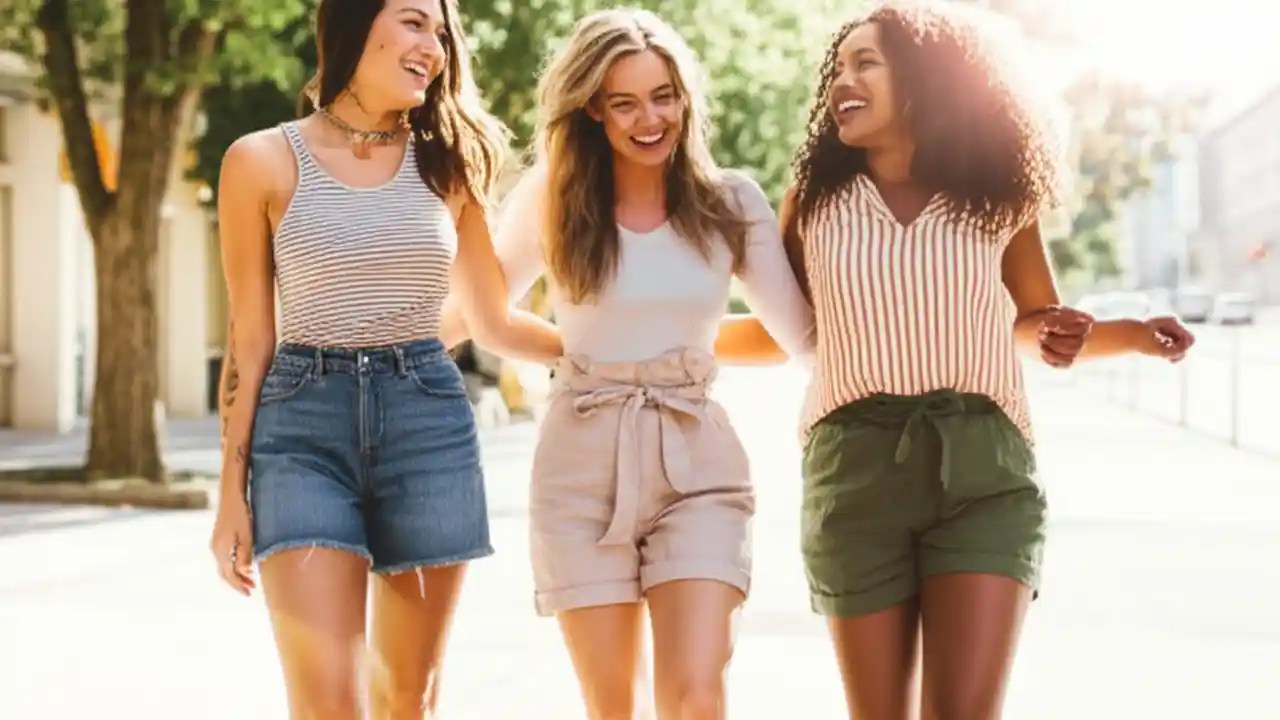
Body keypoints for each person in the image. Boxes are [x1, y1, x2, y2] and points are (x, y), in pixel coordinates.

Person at [776, 3, 1196, 718]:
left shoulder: (997, 202)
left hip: (984, 470)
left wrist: (1126, 334)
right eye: (838, 67)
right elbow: (787, 329)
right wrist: (648, 351)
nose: (842, 80)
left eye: (865, 62)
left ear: (923, 78)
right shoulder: (812, 205)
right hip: (853, 473)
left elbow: (1035, 327)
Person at [208, 1, 561, 717]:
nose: (433, 46)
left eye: (439, 32)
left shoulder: (448, 165)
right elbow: (251, 340)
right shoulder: (261, 161)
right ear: (353, 24)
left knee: (408, 698)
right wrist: (230, 491)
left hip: (425, 422)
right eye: (412, 22)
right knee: (327, 701)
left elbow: (491, 317)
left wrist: (623, 348)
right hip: (301, 430)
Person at [468, 8, 815, 719]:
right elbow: (488, 317)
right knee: (614, 706)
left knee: (696, 696)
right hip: (580, 466)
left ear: (686, 98)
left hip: (700, 468)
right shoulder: (553, 201)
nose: (648, 118)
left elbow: (796, 338)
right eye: (624, 102)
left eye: (663, 96)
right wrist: (585, 352)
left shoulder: (731, 204)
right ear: (593, 108)